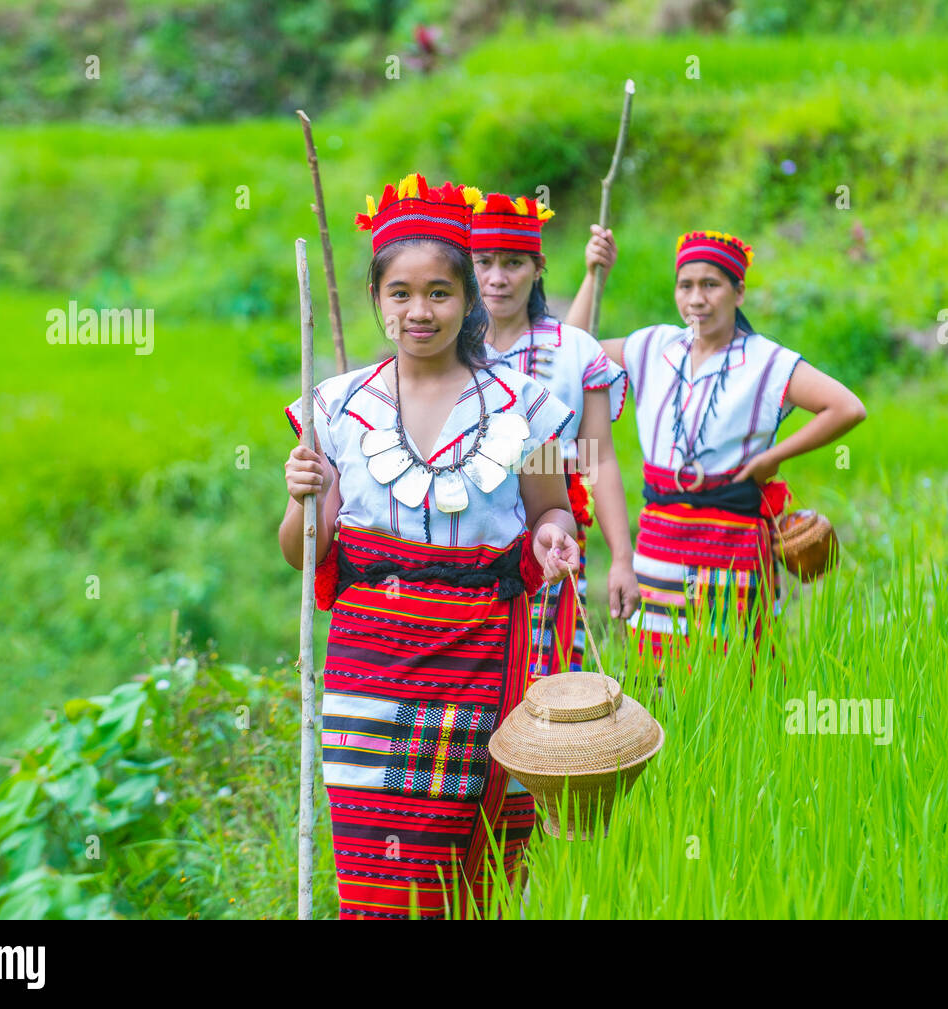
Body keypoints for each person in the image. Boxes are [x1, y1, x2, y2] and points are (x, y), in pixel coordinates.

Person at [279, 173, 580, 919]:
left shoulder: (530, 406)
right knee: (379, 870)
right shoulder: (335, 407)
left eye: (440, 292)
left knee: (468, 867)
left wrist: (554, 538)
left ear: (469, 298)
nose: (420, 311)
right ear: (377, 298)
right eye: (402, 293)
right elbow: (302, 553)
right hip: (368, 675)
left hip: (481, 663)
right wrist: (299, 496)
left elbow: (553, 512)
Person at [566, 226, 866, 666]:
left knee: (730, 669)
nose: (696, 298)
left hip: (732, 541)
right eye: (686, 285)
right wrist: (596, 274)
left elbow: (847, 407)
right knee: (655, 673)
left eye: (711, 285)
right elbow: (571, 353)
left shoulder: (767, 362)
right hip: (659, 540)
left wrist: (774, 457)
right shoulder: (653, 346)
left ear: (738, 292)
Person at [469, 192, 637, 678]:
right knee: (468, 686)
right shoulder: (448, 351)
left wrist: (622, 558)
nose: (497, 278)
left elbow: (597, 459)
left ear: (538, 268)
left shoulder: (575, 350)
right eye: (483, 262)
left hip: (552, 538)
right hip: (466, 539)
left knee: (546, 686)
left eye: (513, 263)